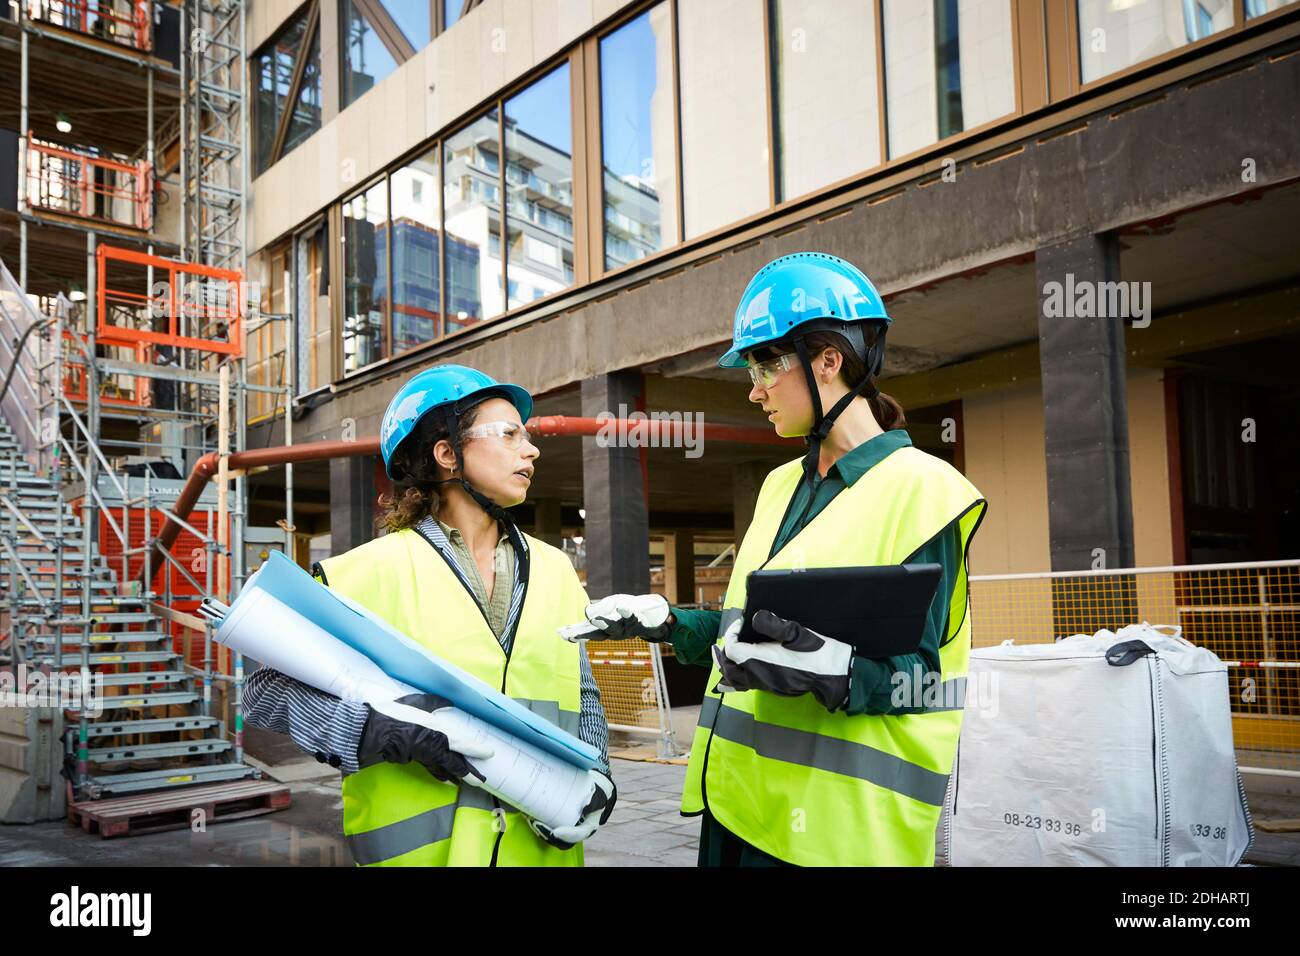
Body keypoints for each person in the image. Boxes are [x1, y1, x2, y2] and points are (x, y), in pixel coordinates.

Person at [576, 253, 986, 866]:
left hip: (836, 837)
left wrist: (835, 669)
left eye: (766, 364)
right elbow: (754, 631)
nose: (754, 387)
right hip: (737, 812)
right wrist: (668, 620)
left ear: (830, 359)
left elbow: (922, 682)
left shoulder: (924, 491)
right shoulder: (778, 486)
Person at [244, 364, 615, 866]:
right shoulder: (364, 574)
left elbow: (581, 690)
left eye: (526, 437)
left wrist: (598, 773)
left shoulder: (555, 569)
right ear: (446, 454)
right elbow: (265, 691)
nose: (531, 450)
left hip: (541, 854)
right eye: (509, 434)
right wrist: (370, 730)